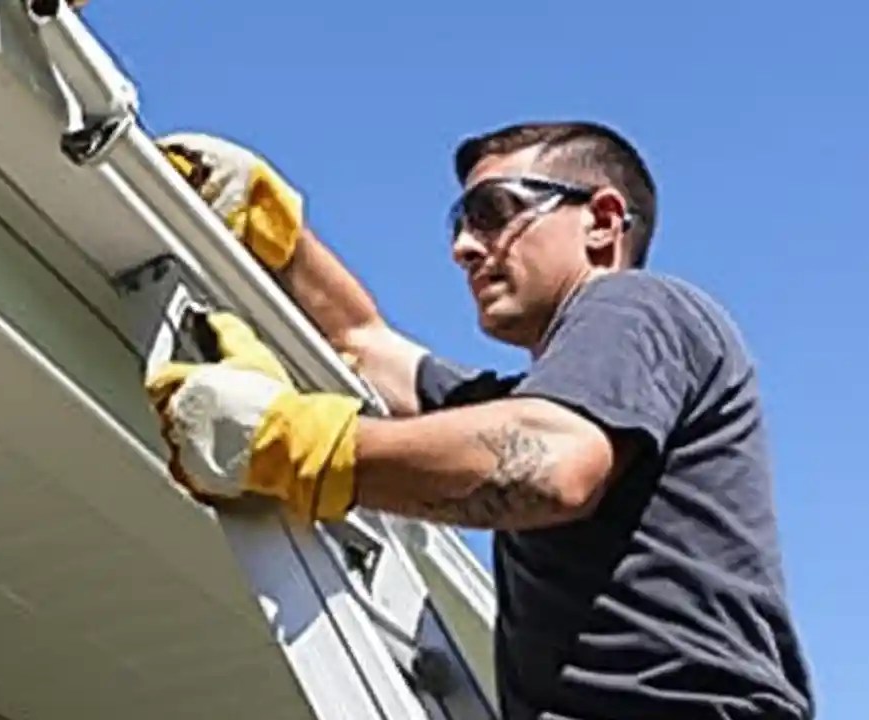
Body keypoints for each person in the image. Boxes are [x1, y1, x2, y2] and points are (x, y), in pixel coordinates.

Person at [147, 121, 815, 719]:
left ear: (604, 222)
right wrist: (275, 232)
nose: (465, 247)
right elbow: (365, 344)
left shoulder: (635, 306)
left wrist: (292, 447)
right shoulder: (532, 401)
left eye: (493, 212)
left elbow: (550, 466)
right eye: (459, 224)